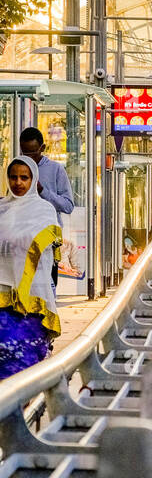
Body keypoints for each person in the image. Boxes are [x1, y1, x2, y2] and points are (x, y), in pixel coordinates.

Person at [0, 156, 62, 378]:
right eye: (13, 177)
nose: (18, 182)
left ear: (33, 179)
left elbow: (44, 250)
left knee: (26, 362)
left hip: (33, 301)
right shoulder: (1, 210)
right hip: (3, 299)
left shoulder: (44, 211)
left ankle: (25, 407)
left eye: (24, 177)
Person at [18, 127, 74, 289]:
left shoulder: (56, 170)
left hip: (49, 238)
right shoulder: (17, 168)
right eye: (25, 153)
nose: (29, 158)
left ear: (42, 149)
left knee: (48, 285)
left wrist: (43, 191)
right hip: (23, 236)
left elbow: (68, 206)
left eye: (33, 153)